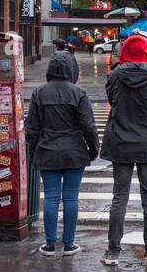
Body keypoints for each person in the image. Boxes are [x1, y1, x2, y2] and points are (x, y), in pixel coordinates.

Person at [101, 33, 147, 266]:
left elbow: (111, 98)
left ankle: (112, 252)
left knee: (119, 197)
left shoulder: (114, 76)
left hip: (120, 141)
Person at [25, 52, 99, 257]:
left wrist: (32, 151)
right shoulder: (79, 93)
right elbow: (88, 126)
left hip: (47, 151)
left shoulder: (39, 93)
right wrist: (93, 150)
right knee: (71, 197)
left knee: (50, 197)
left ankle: (49, 244)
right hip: (75, 152)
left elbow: (32, 128)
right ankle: (69, 244)